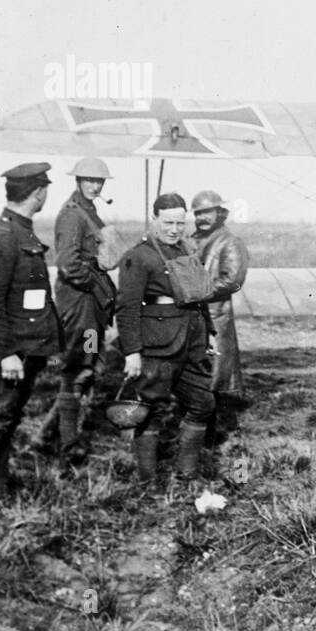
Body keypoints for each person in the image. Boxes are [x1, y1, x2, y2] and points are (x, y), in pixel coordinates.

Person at [0, 164, 61, 502]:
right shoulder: (3, 235)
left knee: (6, 421)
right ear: (38, 193)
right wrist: (6, 353)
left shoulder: (19, 231)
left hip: (22, 347)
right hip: (7, 350)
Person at [116, 193, 216, 481]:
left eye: (180, 222)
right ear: (154, 220)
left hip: (193, 342)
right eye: (168, 222)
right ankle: (147, 482)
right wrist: (132, 351)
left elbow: (198, 294)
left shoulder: (186, 251)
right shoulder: (138, 256)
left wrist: (209, 331)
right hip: (157, 345)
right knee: (151, 410)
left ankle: (186, 475)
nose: (174, 229)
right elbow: (127, 307)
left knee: (202, 403)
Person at [51, 157, 117, 463]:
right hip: (80, 303)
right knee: (77, 366)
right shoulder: (72, 215)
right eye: (89, 180)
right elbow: (68, 264)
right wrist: (94, 284)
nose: (95, 185)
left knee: (88, 361)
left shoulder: (89, 212)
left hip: (91, 304)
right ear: (77, 181)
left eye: (99, 181)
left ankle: (56, 432)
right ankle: (68, 442)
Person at [191, 189, 249, 445]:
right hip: (193, 319)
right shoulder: (192, 240)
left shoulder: (230, 242)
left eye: (208, 212)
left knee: (216, 382)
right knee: (197, 379)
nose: (203, 217)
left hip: (216, 319)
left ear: (220, 213)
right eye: (198, 213)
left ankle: (219, 440)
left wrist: (196, 291)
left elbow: (233, 281)